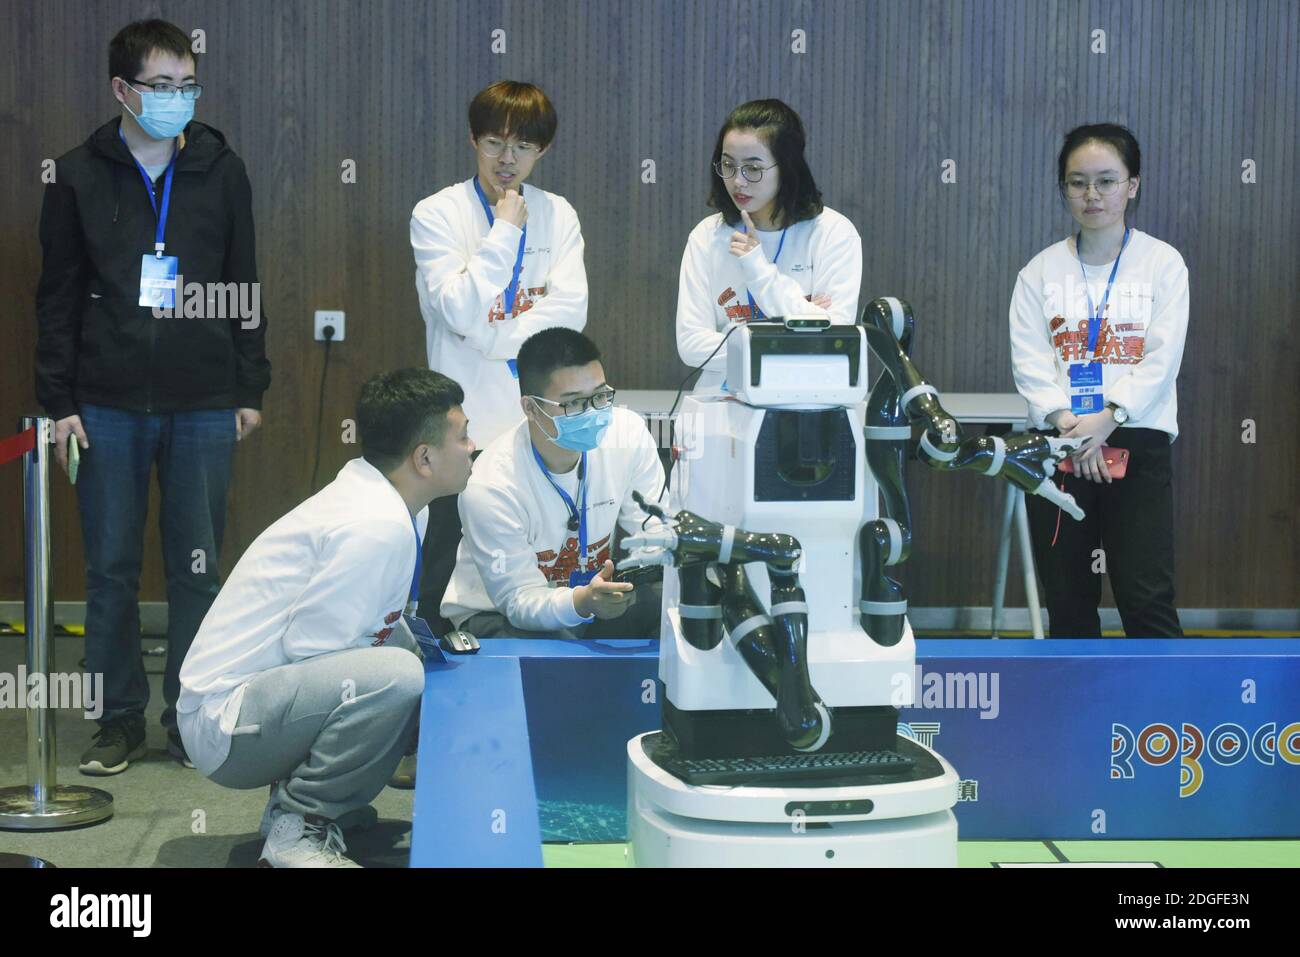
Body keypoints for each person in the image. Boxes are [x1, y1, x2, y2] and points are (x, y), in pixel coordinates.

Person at [34, 19, 271, 775]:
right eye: (159, 87)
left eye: (186, 86)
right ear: (121, 89)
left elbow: (244, 283)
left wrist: (248, 382)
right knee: (107, 568)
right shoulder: (76, 173)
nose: (176, 100)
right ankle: (118, 721)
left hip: (202, 397)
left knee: (197, 567)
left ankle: (191, 716)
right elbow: (58, 297)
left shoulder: (220, 169)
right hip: (104, 399)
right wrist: (58, 397)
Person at [177, 369, 474, 867]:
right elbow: (314, 650)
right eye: (462, 435)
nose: (472, 447)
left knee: (403, 659)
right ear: (423, 457)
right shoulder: (374, 524)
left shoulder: (396, 504)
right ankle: (298, 829)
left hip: (262, 701)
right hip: (225, 726)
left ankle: (316, 807)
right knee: (397, 676)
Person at [410, 79, 588, 640]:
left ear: (544, 151)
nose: (507, 160)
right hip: (459, 426)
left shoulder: (559, 215)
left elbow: (568, 316)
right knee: (443, 570)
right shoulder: (437, 213)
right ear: (472, 140)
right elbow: (458, 307)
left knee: (524, 565)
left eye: (524, 147)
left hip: (531, 427)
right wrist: (507, 229)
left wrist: (488, 338)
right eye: (494, 143)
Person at [1009, 123, 1188, 638]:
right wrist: (1069, 425)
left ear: (1132, 185)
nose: (1092, 195)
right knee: (1067, 601)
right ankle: (1073, 718)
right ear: (1063, 187)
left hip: (1135, 438)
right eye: (1077, 182)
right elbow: (1031, 362)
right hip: (1058, 448)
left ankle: (1159, 718)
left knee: (1146, 597)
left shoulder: (1163, 264)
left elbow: (1161, 358)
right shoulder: (1039, 272)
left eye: (1107, 181)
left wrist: (1107, 420)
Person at [442, 329, 666, 638]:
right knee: (559, 654)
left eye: (600, 396)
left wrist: (645, 571)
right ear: (531, 408)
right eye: (573, 404)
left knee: (672, 610)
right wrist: (582, 603)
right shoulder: (492, 484)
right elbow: (518, 600)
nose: (593, 413)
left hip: (592, 600)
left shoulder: (627, 434)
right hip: (497, 614)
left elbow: (656, 531)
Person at [676, 99, 863, 391]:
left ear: (787, 167)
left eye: (753, 168)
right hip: (719, 405)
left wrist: (757, 268)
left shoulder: (833, 233)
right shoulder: (706, 236)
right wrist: (796, 328)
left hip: (807, 403)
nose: (738, 181)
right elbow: (690, 345)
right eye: (728, 165)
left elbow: (831, 341)